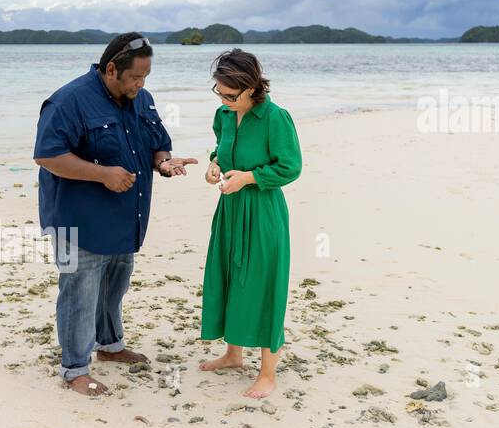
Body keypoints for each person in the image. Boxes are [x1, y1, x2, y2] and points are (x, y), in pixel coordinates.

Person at [33, 32, 198, 396]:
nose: (141, 85)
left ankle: (109, 346)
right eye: (136, 78)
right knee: (79, 292)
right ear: (111, 69)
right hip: (77, 219)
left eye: (146, 78)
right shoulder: (69, 101)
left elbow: (157, 143)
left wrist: (165, 162)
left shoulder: (142, 98)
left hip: (125, 217)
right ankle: (75, 369)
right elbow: (47, 155)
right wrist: (102, 174)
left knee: (114, 287)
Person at [199, 48, 302, 399]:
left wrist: (250, 178)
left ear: (252, 88)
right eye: (220, 93)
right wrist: (214, 164)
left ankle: (268, 373)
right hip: (229, 209)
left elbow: (290, 167)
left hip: (262, 212)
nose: (224, 100)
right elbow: (220, 148)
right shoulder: (224, 115)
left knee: (262, 283)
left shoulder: (275, 118)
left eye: (231, 95)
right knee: (228, 276)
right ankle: (232, 354)